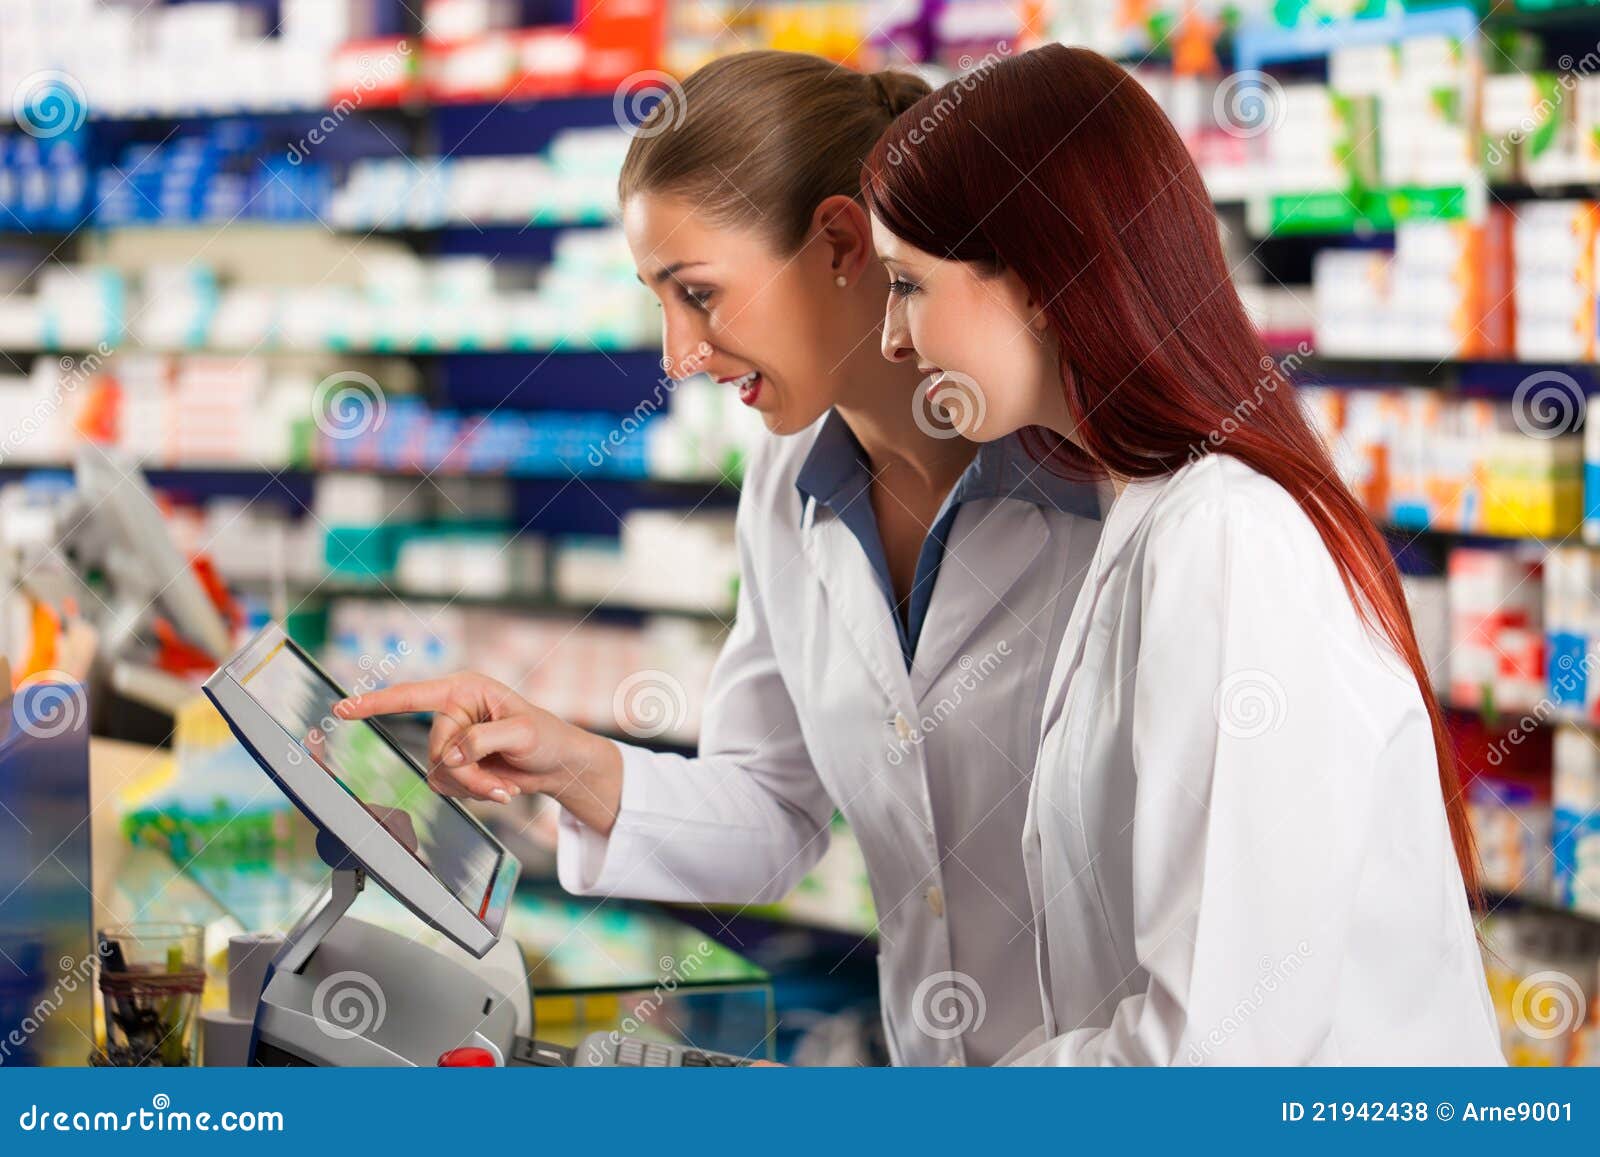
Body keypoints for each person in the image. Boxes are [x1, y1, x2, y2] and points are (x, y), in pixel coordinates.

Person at [334, 50, 1103, 1066]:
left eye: (697, 292)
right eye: (659, 300)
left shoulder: (1097, 490)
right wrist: (570, 760)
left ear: (838, 243)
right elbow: (775, 811)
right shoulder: (786, 480)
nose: (675, 355)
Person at [860, 43, 1504, 1065]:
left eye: (907, 284)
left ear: (1035, 276)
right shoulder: (1149, 517)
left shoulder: (1226, 538)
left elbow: (1209, 1052)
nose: (892, 337)